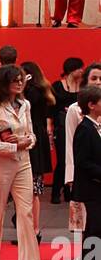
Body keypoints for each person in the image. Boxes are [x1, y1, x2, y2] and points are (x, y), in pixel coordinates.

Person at [0, 66, 41, 260]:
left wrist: (27, 142)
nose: (19, 84)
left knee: (26, 214)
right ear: (4, 83)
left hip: (24, 163)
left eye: (21, 80)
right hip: (0, 165)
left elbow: (32, 134)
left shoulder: (25, 104)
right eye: (15, 80)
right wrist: (15, 147)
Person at [22, 60, 54, 240]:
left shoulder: (31, 92)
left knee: (32, 187)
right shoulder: (43, 90)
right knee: (33, 187)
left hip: (31, 137)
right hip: (37, 135)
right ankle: (32, 228)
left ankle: (33, 229)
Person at [73, 84, 101, 260]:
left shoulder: (94, 127)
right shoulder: (84, 129)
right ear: (92, 105)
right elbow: (82, 162)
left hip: (96, 190)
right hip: (90, 192)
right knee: (92, 237)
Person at [51, 57, 84, 205]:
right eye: (79, 68)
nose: (82, 71)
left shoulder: (83, 86)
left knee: (76, 158)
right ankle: (56, 191)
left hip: (80, 126)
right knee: (62, 159)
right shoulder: (57, 86)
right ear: (71, 69)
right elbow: (51, 107)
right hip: (62, 125)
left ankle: (70, 190)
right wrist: (49, 126)